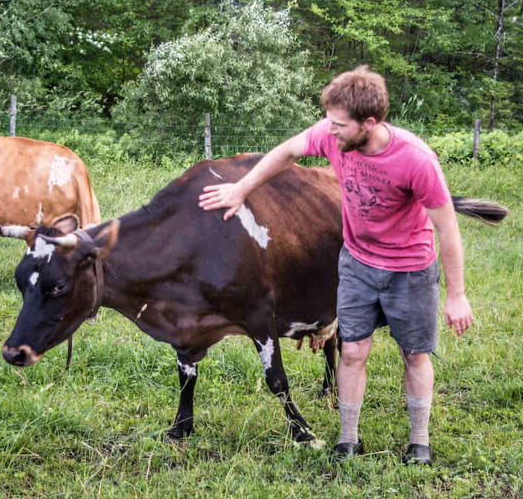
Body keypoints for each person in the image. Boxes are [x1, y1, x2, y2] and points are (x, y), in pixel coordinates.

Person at [197, 66, 472, 465]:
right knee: (353, 350)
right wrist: (240, 189)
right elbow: (288, 151)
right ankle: (348, 439)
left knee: (414, 354)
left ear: (370, 123)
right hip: (358, 262)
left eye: (339, 124)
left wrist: (457, 295)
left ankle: (419, 441)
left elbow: (447, 229)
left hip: (410, 269)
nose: (330, 131)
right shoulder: (333, 134)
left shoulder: (415, 160)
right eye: (328, 120)